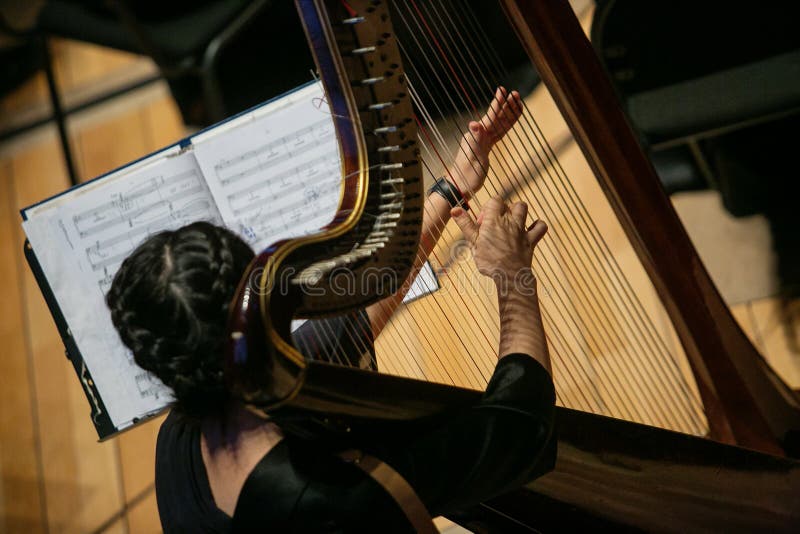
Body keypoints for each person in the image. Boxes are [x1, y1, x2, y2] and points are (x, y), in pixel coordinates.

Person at [106, 88, 555, 532]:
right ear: (260, 310)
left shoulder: (178, 438)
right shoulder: (331, 498)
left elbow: (350, 322)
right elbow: (523, 426)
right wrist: (513, 276)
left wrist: (454, 183)